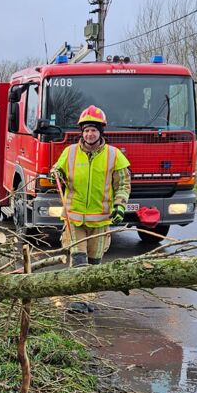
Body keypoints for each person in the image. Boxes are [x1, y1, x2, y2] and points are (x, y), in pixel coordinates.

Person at [50, 105, 131, 312]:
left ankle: (88, 300)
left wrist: (120, 206)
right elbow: (56, 171)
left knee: (94, 265)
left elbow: (123, 185)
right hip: (74, 218)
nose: (89, 134)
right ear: (82, 132)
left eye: (93, 130)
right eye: (86, 130)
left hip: (101, 221)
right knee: (79, 261)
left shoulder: (115, 156)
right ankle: (78, 301)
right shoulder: (69, 153)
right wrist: (55, 175)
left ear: (100, 131)